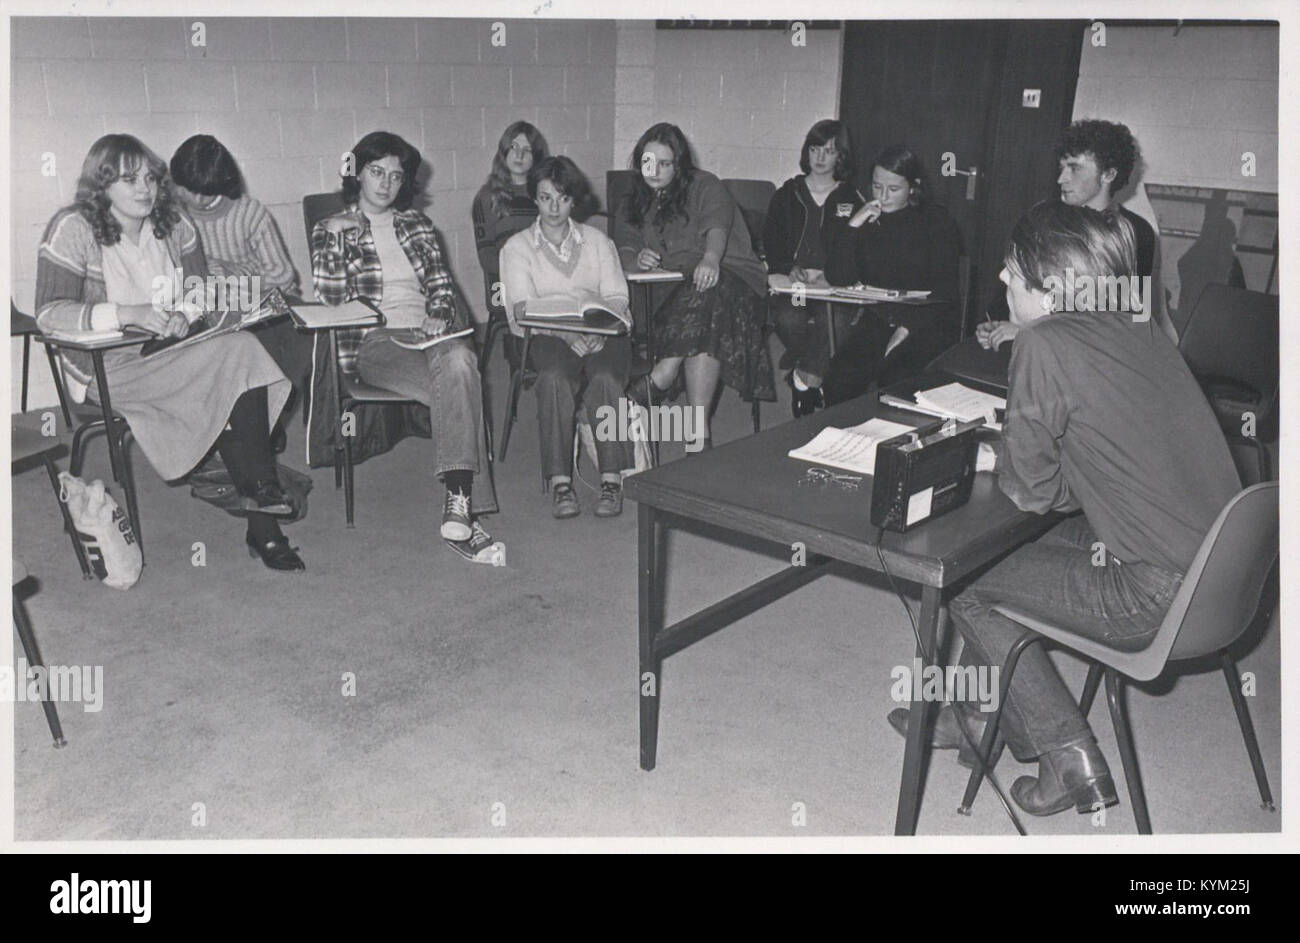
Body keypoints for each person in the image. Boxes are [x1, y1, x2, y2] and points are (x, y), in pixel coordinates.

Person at [889, 201, 1240, 817]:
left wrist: (1009, 450)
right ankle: (972, 718)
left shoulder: (1045, 343)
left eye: (1013, 270)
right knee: (1011, 559)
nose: (1002, 279)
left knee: (964, 580)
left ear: (1051, 288)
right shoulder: (1137, 325)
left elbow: (1034, 493)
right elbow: (1114, 454)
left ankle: (1065, 751)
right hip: (1223, 576)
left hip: (1157, 594)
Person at [35, 133, 304, 572]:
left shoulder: (176, 224)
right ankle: (263, 520)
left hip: (171, 349)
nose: (144, 189)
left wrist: (185, 313)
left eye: (150, 178)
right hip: (107, 367)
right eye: (128, 179)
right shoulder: (73, 228)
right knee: (233, 365)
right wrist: (127, 313)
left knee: (238, 349)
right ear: (100, 185)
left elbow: (197, 291)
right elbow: (49, 314)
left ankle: (260, 503)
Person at [311, 131, 501, 561]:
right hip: (376, 342)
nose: (385, 184)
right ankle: (468, 507)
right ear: (356, 173)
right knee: (461, 384)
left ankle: (458, 497)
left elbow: (441, 287)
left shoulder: (417, 225)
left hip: (430, 334)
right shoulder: (330, 228)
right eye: (376, 172)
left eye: (396, 177)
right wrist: (343, 235)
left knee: (459, 360)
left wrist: (439, 312)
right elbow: (331, 301)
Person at [618, 122, 775, 449]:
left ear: (679, 164)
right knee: (705, 318)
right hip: (672, 293)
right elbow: (624, 249)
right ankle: (697, 434)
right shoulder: (633, 198)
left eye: (665, 163)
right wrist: (638, 260)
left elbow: (717, 227)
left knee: (708, 294)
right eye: (649, 162)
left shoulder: (705, 185)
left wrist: (711, 259)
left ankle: (663, 375)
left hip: (732, 278)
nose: (655, 170)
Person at [499, 156, 633, 519]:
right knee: (555, 378)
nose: (553, 208)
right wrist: (563, 332)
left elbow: (618, 298)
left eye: (562, 198)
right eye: (545, 198)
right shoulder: (516, 248)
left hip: (600, 332)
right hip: (545, 335)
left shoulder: (598, 242)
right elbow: (519, 312)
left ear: (574, 200)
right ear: (535, 199)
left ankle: (611, 479)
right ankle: (561, 482)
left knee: (605, 376)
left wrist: (601, 331)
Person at [979, 119, 1177, 352]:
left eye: (1074, 168)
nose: (1061, 178)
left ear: (1108, 174)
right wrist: (994, 325)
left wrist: (1027, 330)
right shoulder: (1043, 221)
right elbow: (1010, 295)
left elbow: (1124, 319)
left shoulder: (1135, 233)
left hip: (1083, 352)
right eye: (1062, 168)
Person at [168, 133, 313, 448]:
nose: (197, 199)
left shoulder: (249, 212)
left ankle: (266, 419)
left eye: (207, 191)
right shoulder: (172, 218)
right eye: (188, 189)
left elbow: (283, 275)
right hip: (203, 305)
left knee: (283, 336)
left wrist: (231, 275)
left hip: (261, 302)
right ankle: (237, 423)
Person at [823, 144, 961, 402]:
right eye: (877, 186)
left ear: (913, 186)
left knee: (895, 379)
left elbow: (945, 290)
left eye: (894, 189)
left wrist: (906, 329)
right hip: (879, 318)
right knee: (838, 379)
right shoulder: (869, 219)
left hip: (926, 321)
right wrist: (854, 224)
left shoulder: (937, 221)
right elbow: (837, 277)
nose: (884, 196)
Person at [763, 119, 866, 417]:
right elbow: (772, 241)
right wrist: (788, 266)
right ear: (806, 152)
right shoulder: (787, 194)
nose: (820, 158)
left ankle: (803, 378)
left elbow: (858, 249)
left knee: (835, 321)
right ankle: (813, 374)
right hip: (796, 286)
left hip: (833, 287)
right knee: (789, 316)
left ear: (841, 157)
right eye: (815, 149)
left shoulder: (851, 198)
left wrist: (832, 272)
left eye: (830, 151)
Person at [471, 121, 549, 353]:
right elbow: (486, 257)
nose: (519, 155)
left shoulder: (546, 193)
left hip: (545, 276)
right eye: (513, 147)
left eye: (527, 150)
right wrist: (523, 274)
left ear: (536, 157)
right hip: (502, 284)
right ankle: (523, 354)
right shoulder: (487, 197)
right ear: (503, 151)